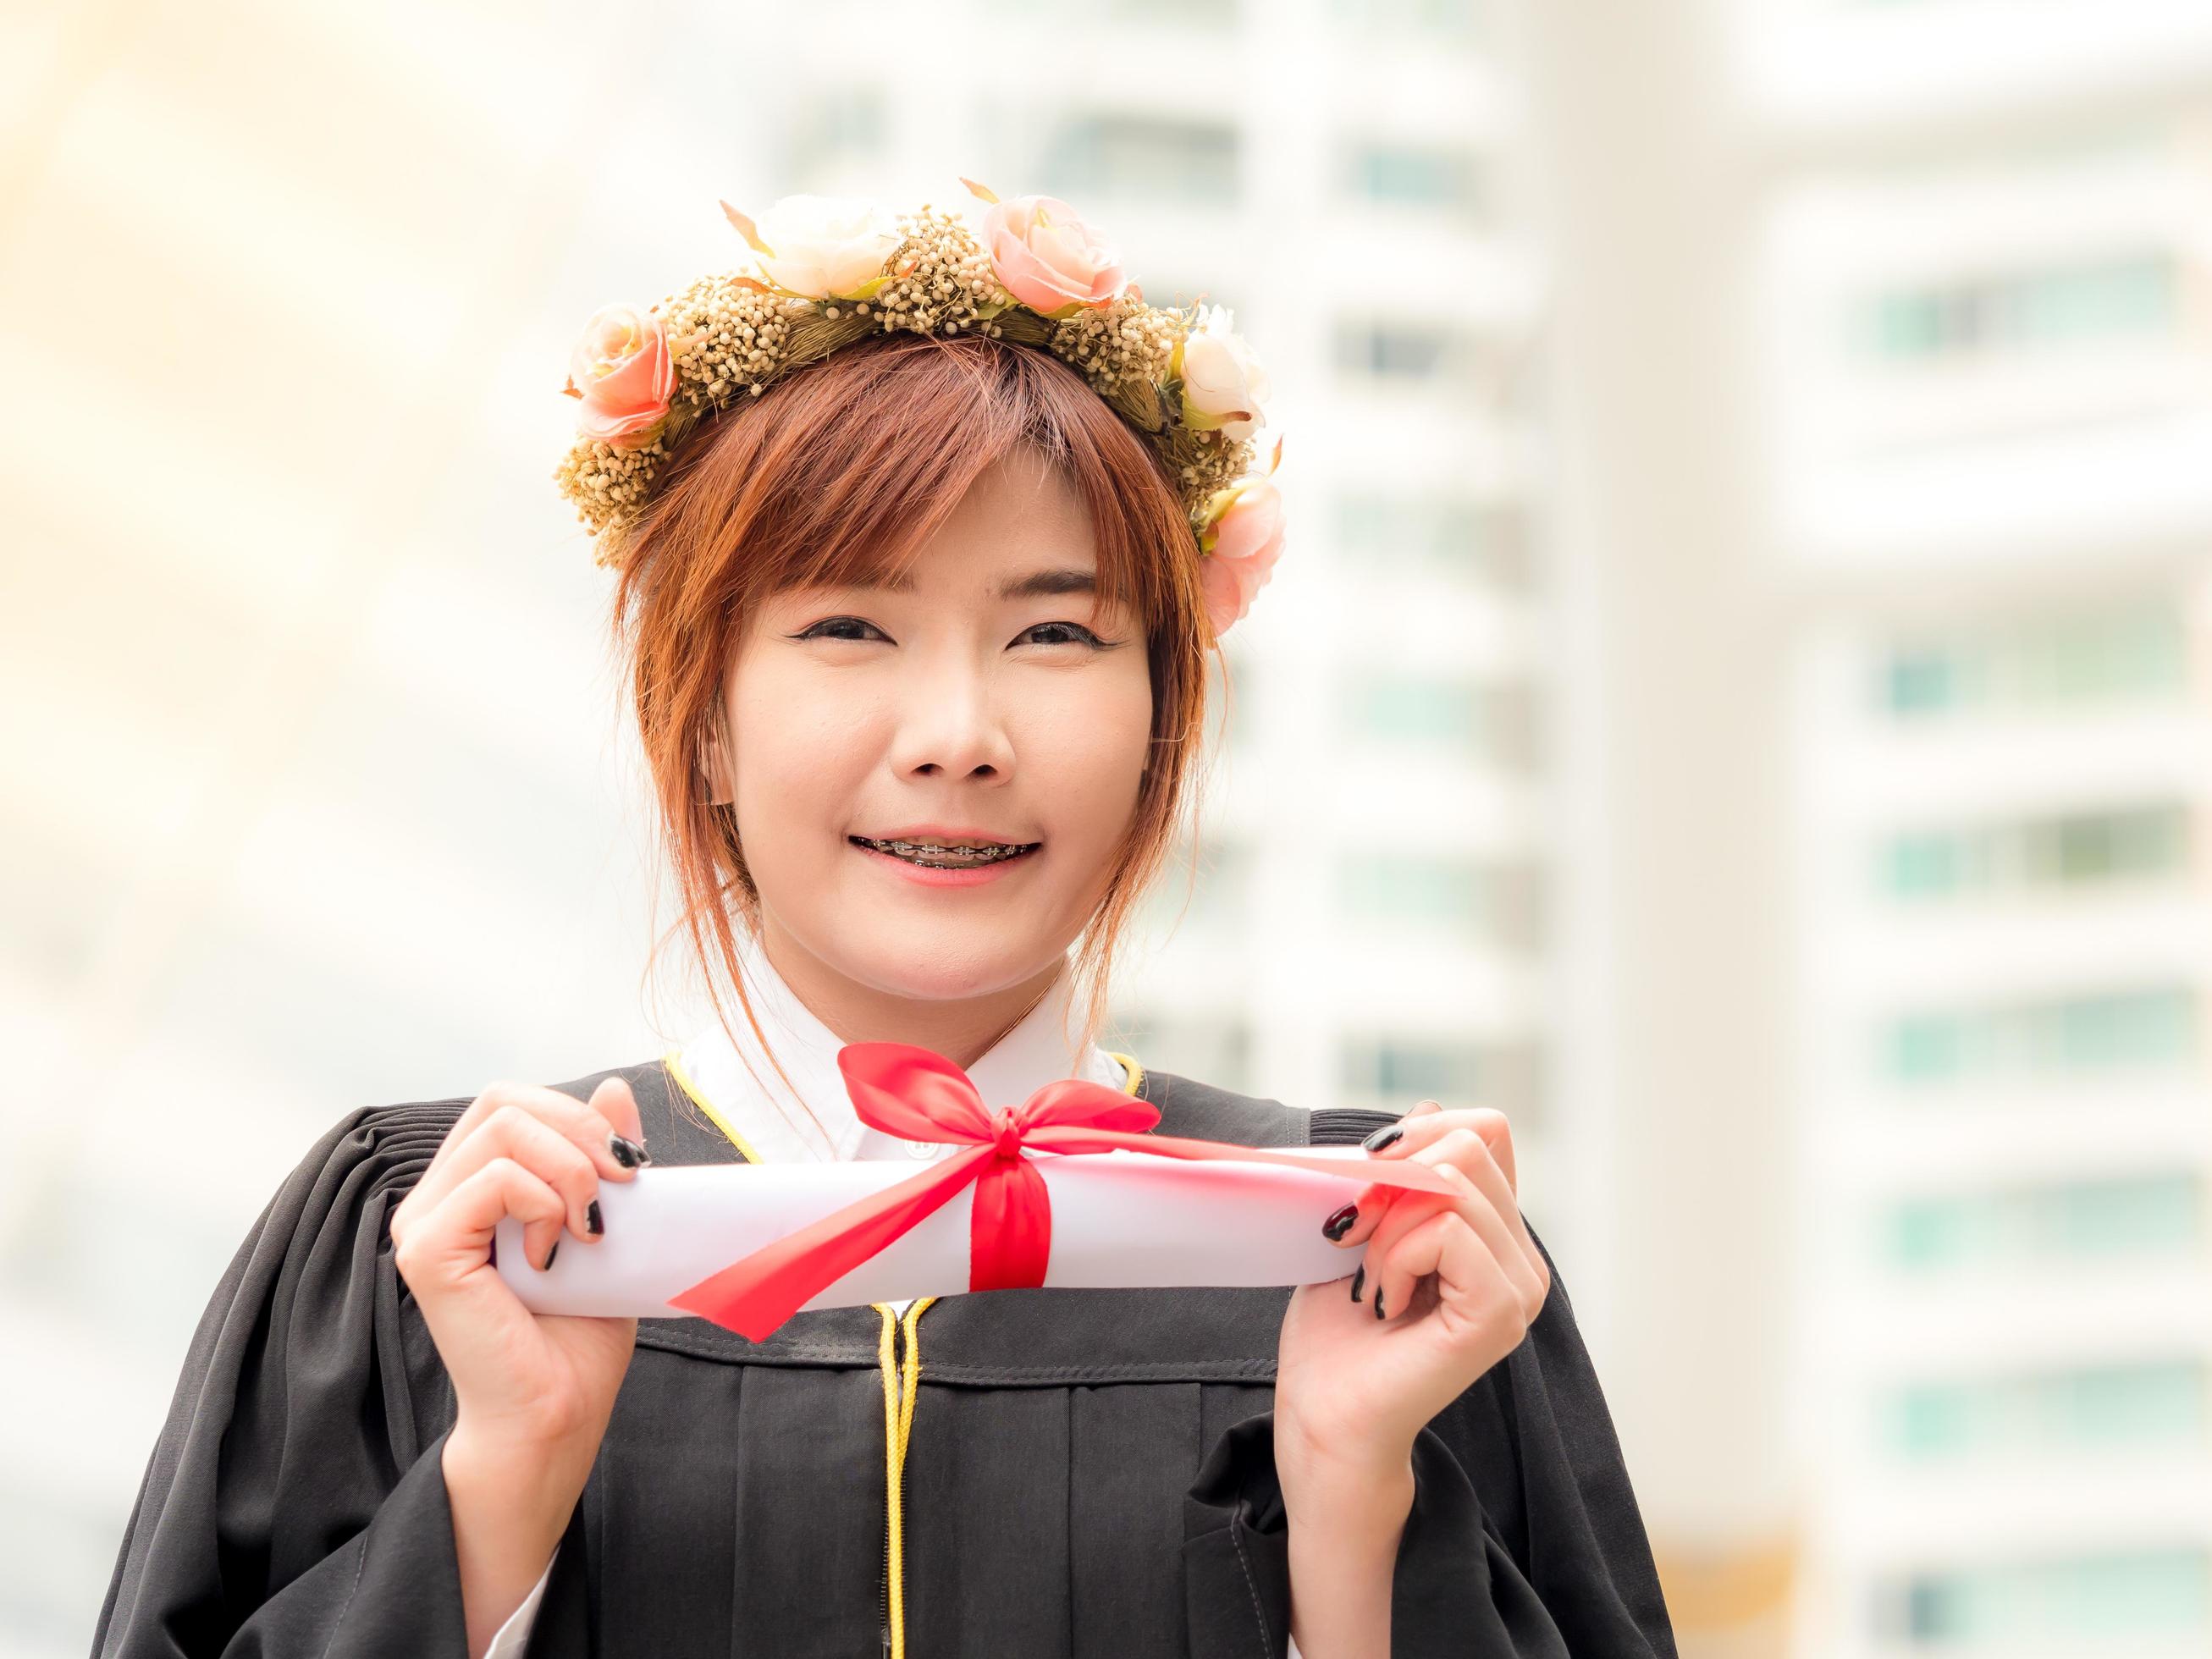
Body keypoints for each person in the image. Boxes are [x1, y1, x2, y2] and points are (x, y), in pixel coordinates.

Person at [91, 188, 1677, 1659]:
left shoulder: (1377, 1260)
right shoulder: (433, 1248)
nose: (957, 733)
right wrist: (499, 1485)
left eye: (1055, 631)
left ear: (1162, 728)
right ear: (702, 719)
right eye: (849, 625)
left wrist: (1351, 1504)